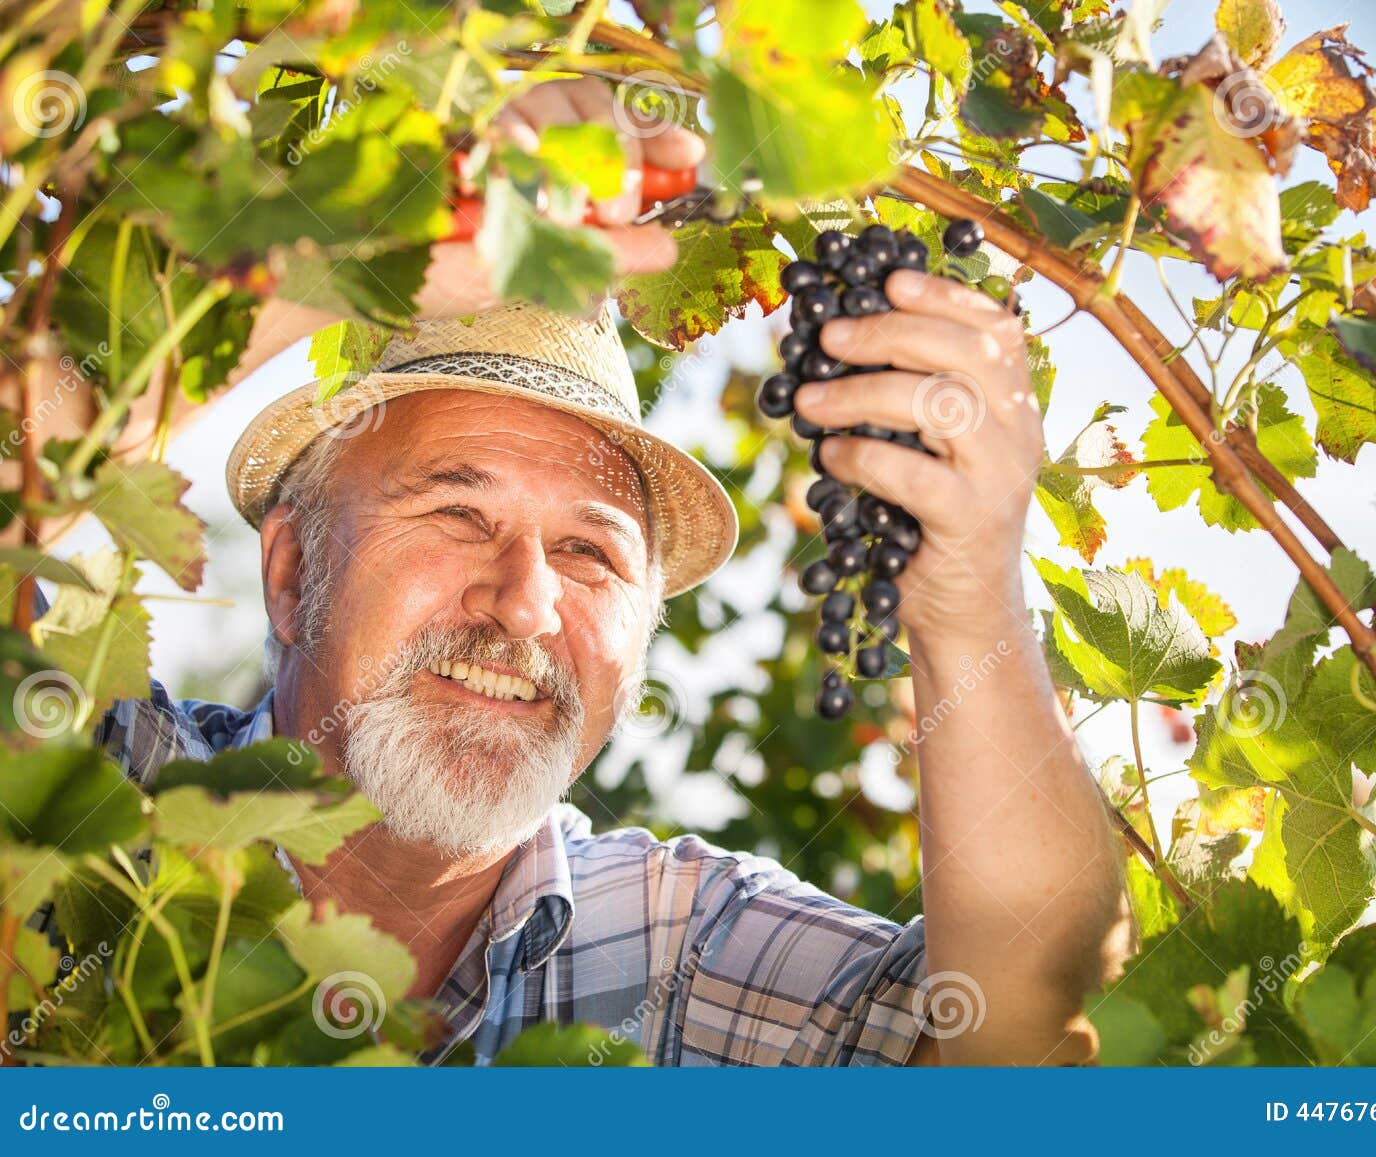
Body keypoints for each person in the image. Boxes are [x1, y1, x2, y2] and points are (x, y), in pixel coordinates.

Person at [21, 77, 1130, 1066]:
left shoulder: (682, 941)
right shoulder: (100, 806)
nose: (524, 601)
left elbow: (1030, 1046)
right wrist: (344, 250)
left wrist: (963, 594)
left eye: (590, 550)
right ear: (293, 565)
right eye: (457, 512)